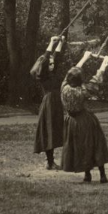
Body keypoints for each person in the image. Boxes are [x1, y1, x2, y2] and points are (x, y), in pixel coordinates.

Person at [60, 51, 108, 183]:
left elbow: (72, 72)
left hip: (71, 121)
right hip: (85, 120)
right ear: (80, 80)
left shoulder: (64, 87)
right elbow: (97, 78)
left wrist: (85, 57)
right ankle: (102, 175)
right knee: (95, 145)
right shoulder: (83, 91)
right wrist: (105, 62)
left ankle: (87, 175)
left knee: (80, 147)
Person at [32, 35, 66, 170]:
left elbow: (55, 59)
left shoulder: (51, 73)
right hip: (49, 103)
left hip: (56, 102)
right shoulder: (42, 75)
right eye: (50, 64)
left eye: (52, 64)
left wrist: (61, 43)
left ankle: (51, 161)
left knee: (55, 131)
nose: (52, 65)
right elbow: (46, 60)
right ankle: (49, 161)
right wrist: (51, 43)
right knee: (49, 131)